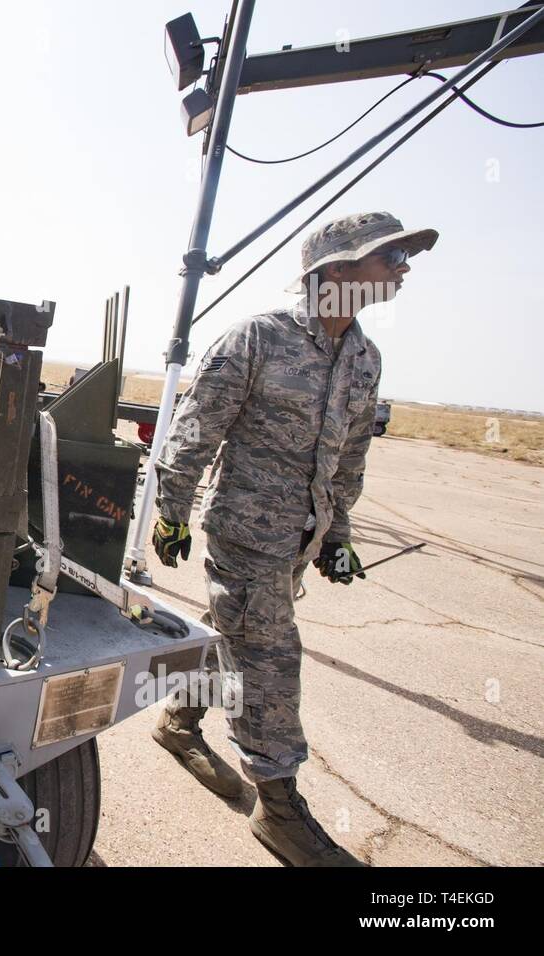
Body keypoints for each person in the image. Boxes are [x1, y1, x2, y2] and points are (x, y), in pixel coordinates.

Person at [149, 211, 438, 866]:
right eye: (389, 257)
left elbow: (351, 458)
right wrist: (171, 512)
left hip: (301, 538)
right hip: (246, 532)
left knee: (236, 631)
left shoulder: (365, 358)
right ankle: (278, 811)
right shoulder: (257, 338)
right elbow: (195, 433)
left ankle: (177, 722)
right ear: (335, 271)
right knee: (271, 658)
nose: (403, 269)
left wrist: (340, 532)